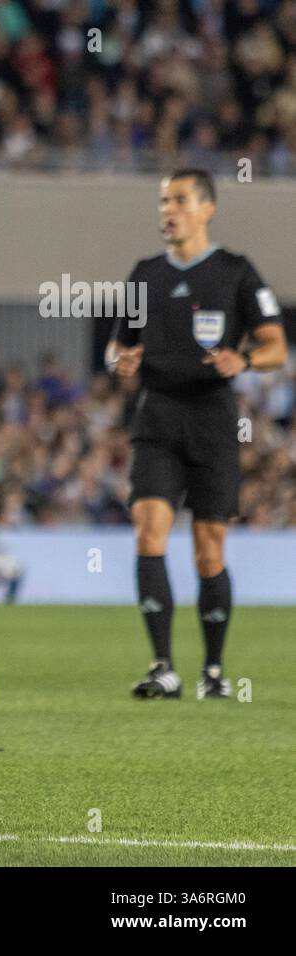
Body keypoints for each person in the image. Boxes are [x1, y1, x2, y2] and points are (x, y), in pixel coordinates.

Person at [108, 169, 287, 700]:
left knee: (209, 549)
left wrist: (247, 358)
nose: (169, 210)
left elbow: (276, 343)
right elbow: (118, 347)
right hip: (157, 416)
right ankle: (163, 666)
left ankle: (213, 671)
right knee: (149, 532)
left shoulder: (235, 272)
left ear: (208, 208)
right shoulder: (144, 274)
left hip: (212, 419)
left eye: (180, 200)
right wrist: (124, 360)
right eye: (164, 201)